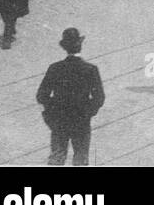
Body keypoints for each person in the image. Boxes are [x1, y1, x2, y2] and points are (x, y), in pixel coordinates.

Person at [36, 28, 105, 166]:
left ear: (65, 48)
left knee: (57, 158)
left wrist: (53, 110)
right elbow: (99, 98)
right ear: (80, 45)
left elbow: (41, 95)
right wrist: (87, 112)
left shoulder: (55, 68)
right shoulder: (90, 69)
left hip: (59, 120)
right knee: (80, 158)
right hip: (81, 121)